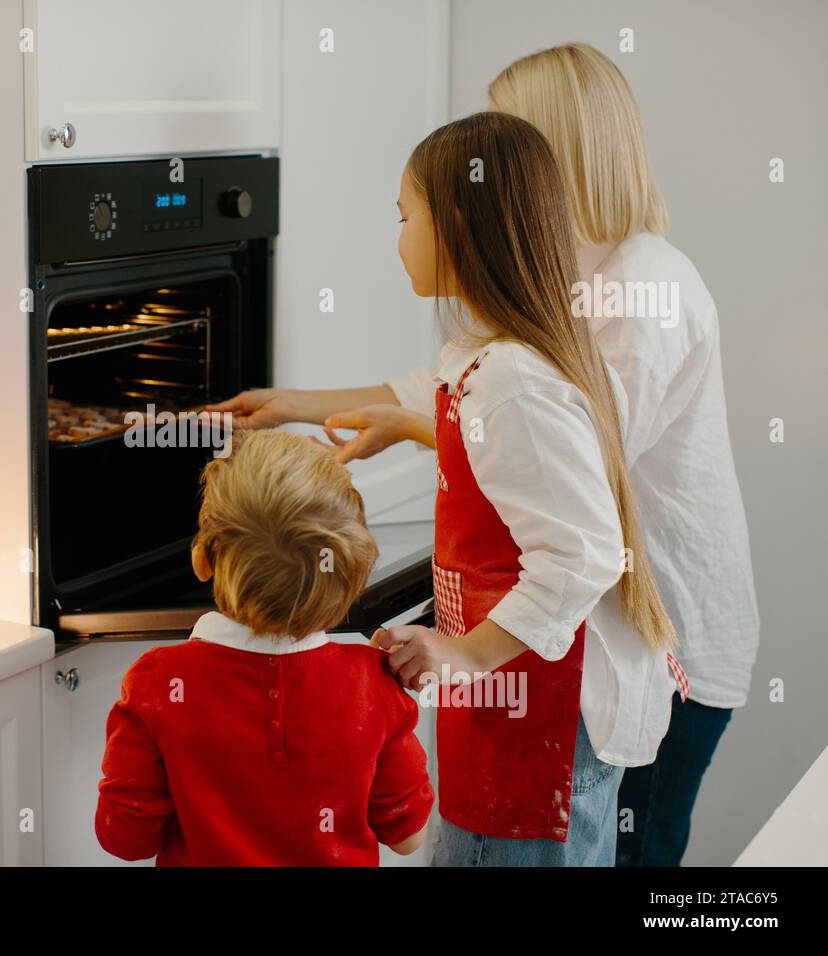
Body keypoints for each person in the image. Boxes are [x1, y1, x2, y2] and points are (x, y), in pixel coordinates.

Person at [214, 43, 758, 867]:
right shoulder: (549, 290)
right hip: (565, 638)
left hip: (651, 637)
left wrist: (466, 653)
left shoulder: (647, 291)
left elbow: (566, 454)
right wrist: (295, 404)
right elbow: (454, 393)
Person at [95, 428, 433, 866]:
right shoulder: (374, 685)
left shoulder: (158, 681)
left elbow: (126, 841)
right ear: (350, 583)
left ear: (203, 559)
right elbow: (408, 839)